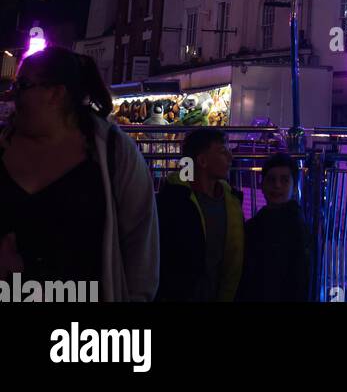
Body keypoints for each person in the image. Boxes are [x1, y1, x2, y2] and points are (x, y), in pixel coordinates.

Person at [0, 46, 158, 300]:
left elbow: (140, 240)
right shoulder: (3, 146)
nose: (11, 95)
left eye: (23, 85)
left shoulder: (113, 152)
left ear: (56, 94)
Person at [156, 128, 244, 302]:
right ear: (202, 161)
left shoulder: (231, 199)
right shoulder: (174, 201)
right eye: (222, 151)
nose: (230, 157)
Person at [236, 154, 310, 302]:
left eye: (284, 180)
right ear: (262, 185)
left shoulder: (296, 228)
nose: (277, 185)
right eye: (271, 179)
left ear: (295, 188)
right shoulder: (258, 223)